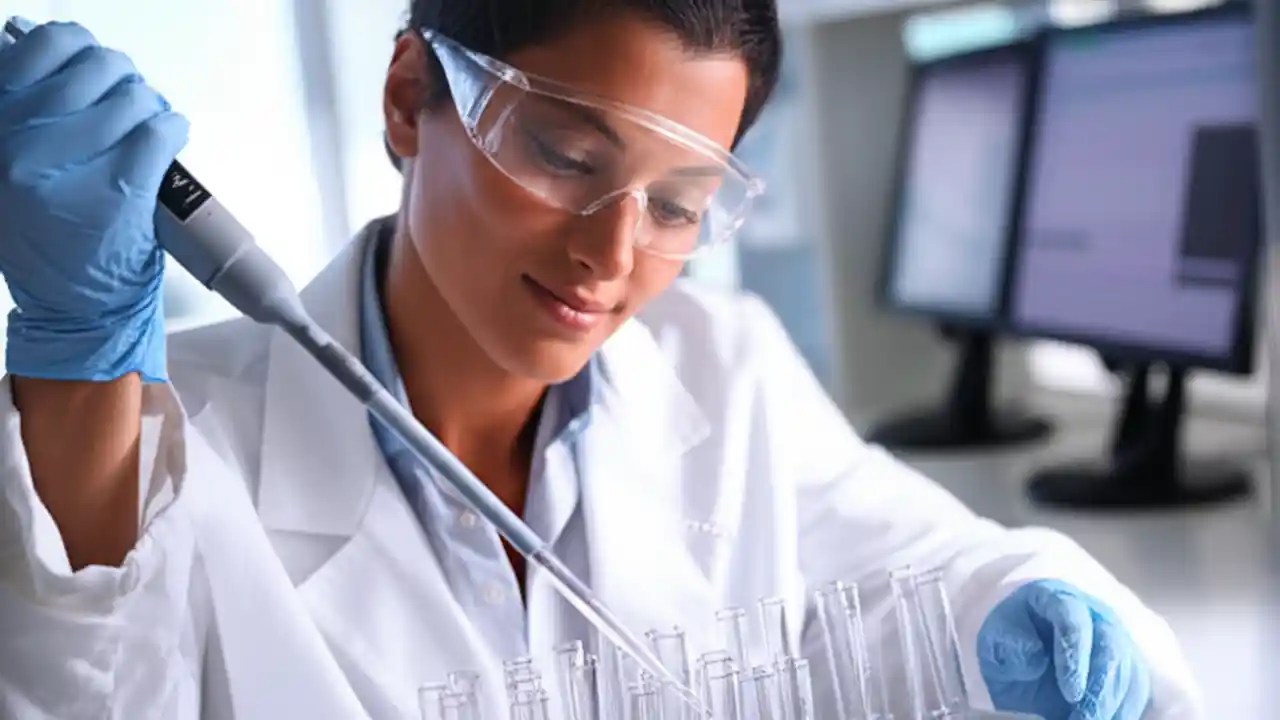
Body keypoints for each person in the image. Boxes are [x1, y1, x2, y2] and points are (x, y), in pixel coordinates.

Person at [0, 4, 1197, 719]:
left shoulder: (721, 368)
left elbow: (946, 567)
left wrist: (1030, 607)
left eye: (677, 205)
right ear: (413, 99)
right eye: (566, 156)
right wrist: (76, 365)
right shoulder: (165, 445)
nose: (610, 256)